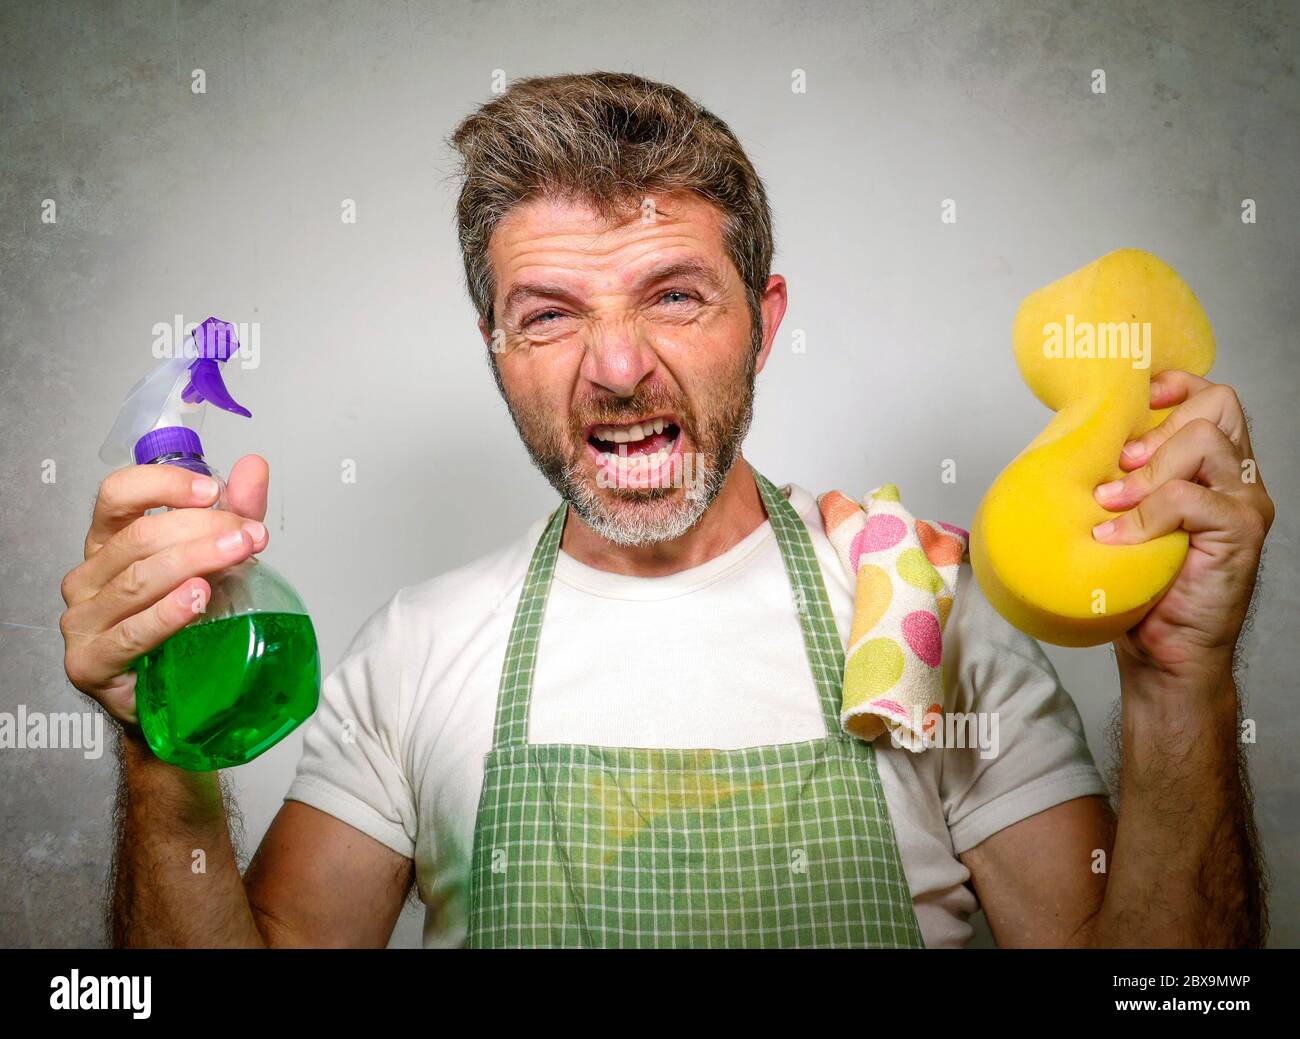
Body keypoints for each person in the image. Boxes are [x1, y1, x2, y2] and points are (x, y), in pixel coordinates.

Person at [59, 71, 1274, 948]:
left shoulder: (919, 615)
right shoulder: (413, 652)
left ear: (767, 318)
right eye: (548, 313)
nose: (620, 368)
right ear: (494, 346)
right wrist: (167, 761)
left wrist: (1178, 685)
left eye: (677, 296)